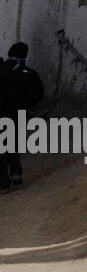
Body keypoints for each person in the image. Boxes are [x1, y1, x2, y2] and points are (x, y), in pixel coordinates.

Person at [0, 42, 42, 192]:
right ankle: (16, 172)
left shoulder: (2, 71)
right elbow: (37, 94)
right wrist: (26, 106)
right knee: (14, 143)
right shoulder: (28, 73)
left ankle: (4, 183)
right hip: (19, 114)